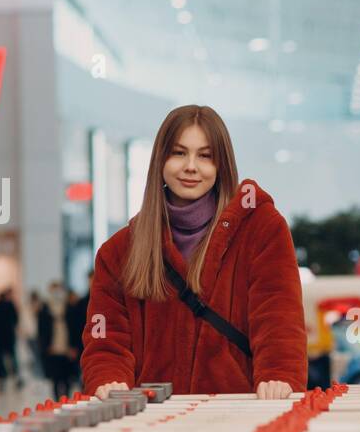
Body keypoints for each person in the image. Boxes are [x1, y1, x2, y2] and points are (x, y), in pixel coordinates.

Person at [81, 105, 306, 399]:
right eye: (178, 153)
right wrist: (107, 378)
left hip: (241, 414)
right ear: (160, 159)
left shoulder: (262, 229)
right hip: (152, 424)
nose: (191, 166)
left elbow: (279, 318)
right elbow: (106, 339)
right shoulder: (118, 252)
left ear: (221, 165)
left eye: (205, 156)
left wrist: (279, 376)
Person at [38, 281, 80, 399]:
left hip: (67, 349)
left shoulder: (70, 308)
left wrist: (74, 347)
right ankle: (57, 402)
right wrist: (46, 347)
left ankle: (66, 400)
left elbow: (76, 329)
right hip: (53, 350)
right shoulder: (45, 309)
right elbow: (41, 331)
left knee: (67, 378)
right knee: (55, 379)